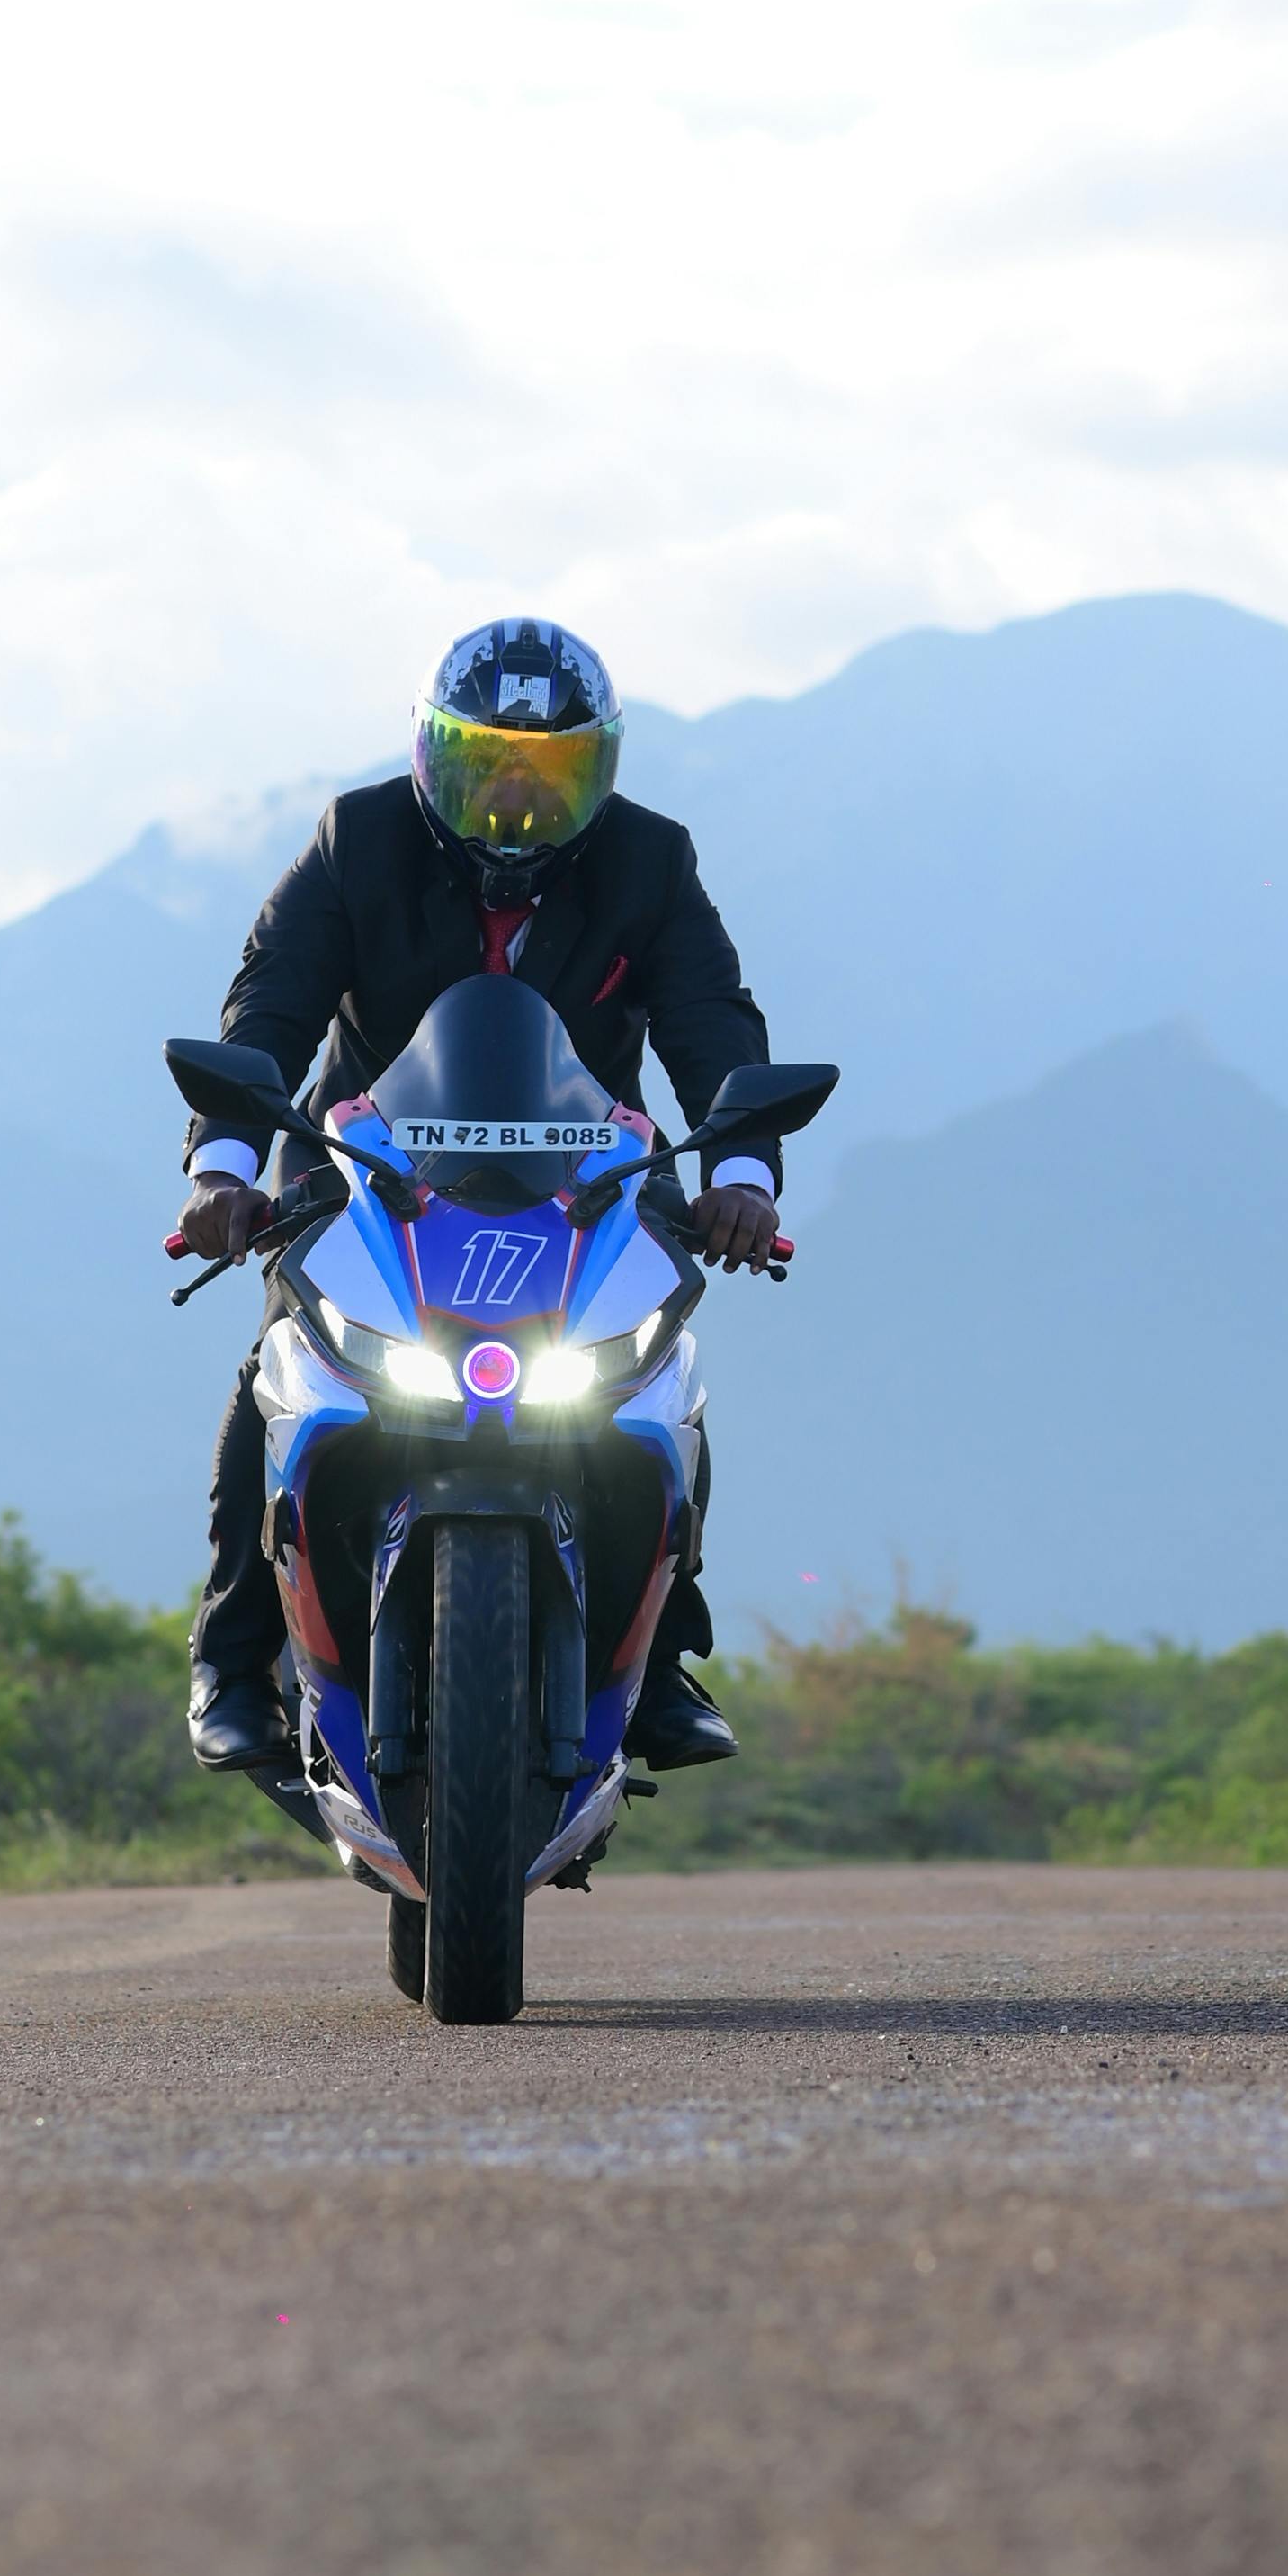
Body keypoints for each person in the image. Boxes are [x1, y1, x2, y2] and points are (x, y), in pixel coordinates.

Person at [170, 616, 788, 1785]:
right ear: (429, 757)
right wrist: (225, 1171)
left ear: (599, 771)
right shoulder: (356, 840)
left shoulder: (650, 862)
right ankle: (236, 1659)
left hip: (585, 1184)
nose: (512, 802)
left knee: (660, 1386)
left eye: (547, 773)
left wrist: (740, 1179)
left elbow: (713, 1021)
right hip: (365, 1178)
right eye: (483, 764)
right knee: (278, 1384)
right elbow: (271, 1009)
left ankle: (657, 1662)